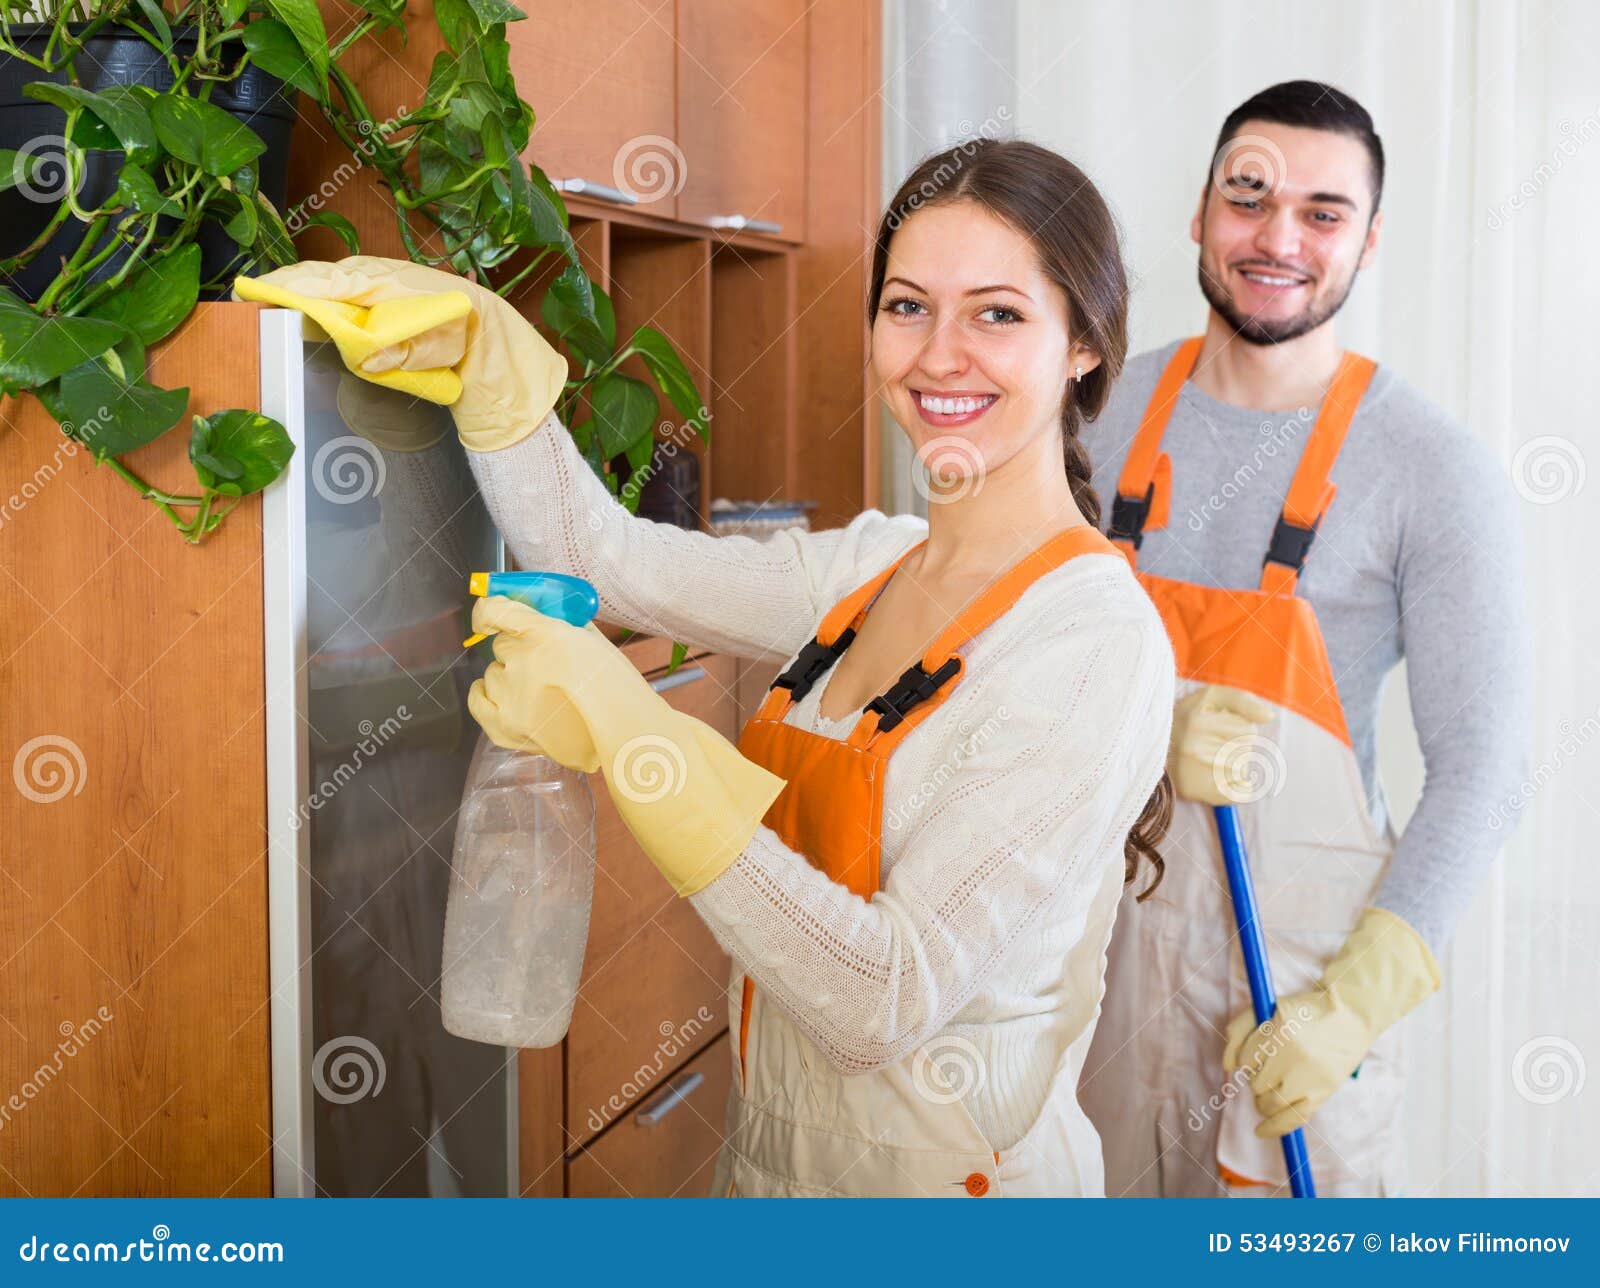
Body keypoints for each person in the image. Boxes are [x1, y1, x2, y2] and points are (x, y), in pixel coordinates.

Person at [236, 136, 1175, 1198]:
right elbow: (612, 562)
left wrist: (638, 739)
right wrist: (489, 371)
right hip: (770, 1178)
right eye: (907, 306)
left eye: (997, 314)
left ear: (1085, 345)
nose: (938, 353)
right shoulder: (869, 568)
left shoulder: (1094, 644)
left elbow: (882, 996)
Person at [1078, 80, 1530, 1197]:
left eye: (1323, 212)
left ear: (1367, 243)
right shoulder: (1090, 415)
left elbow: (1484, 764)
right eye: (1249, 195)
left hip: (1287, 992)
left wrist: (1356, 1000)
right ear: (1198, 213)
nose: (1277, 236)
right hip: (1093, 963)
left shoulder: (1432, 466)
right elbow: (1015, 651)